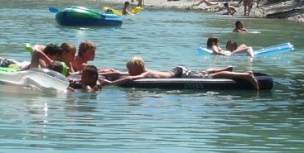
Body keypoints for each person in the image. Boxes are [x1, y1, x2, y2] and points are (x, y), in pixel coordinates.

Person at [101, 56, 260, 90]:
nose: (128, 70)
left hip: (180, 74)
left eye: (130, 68)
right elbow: (121, 72)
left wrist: (110, 83)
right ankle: (225, 69)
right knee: (204, 72)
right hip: (178, 70)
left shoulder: (145, 74)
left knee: (210, 77)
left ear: (136, 68)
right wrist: (105, 72)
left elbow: (128, 77)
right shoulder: (142, 71)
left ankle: (245, 75)